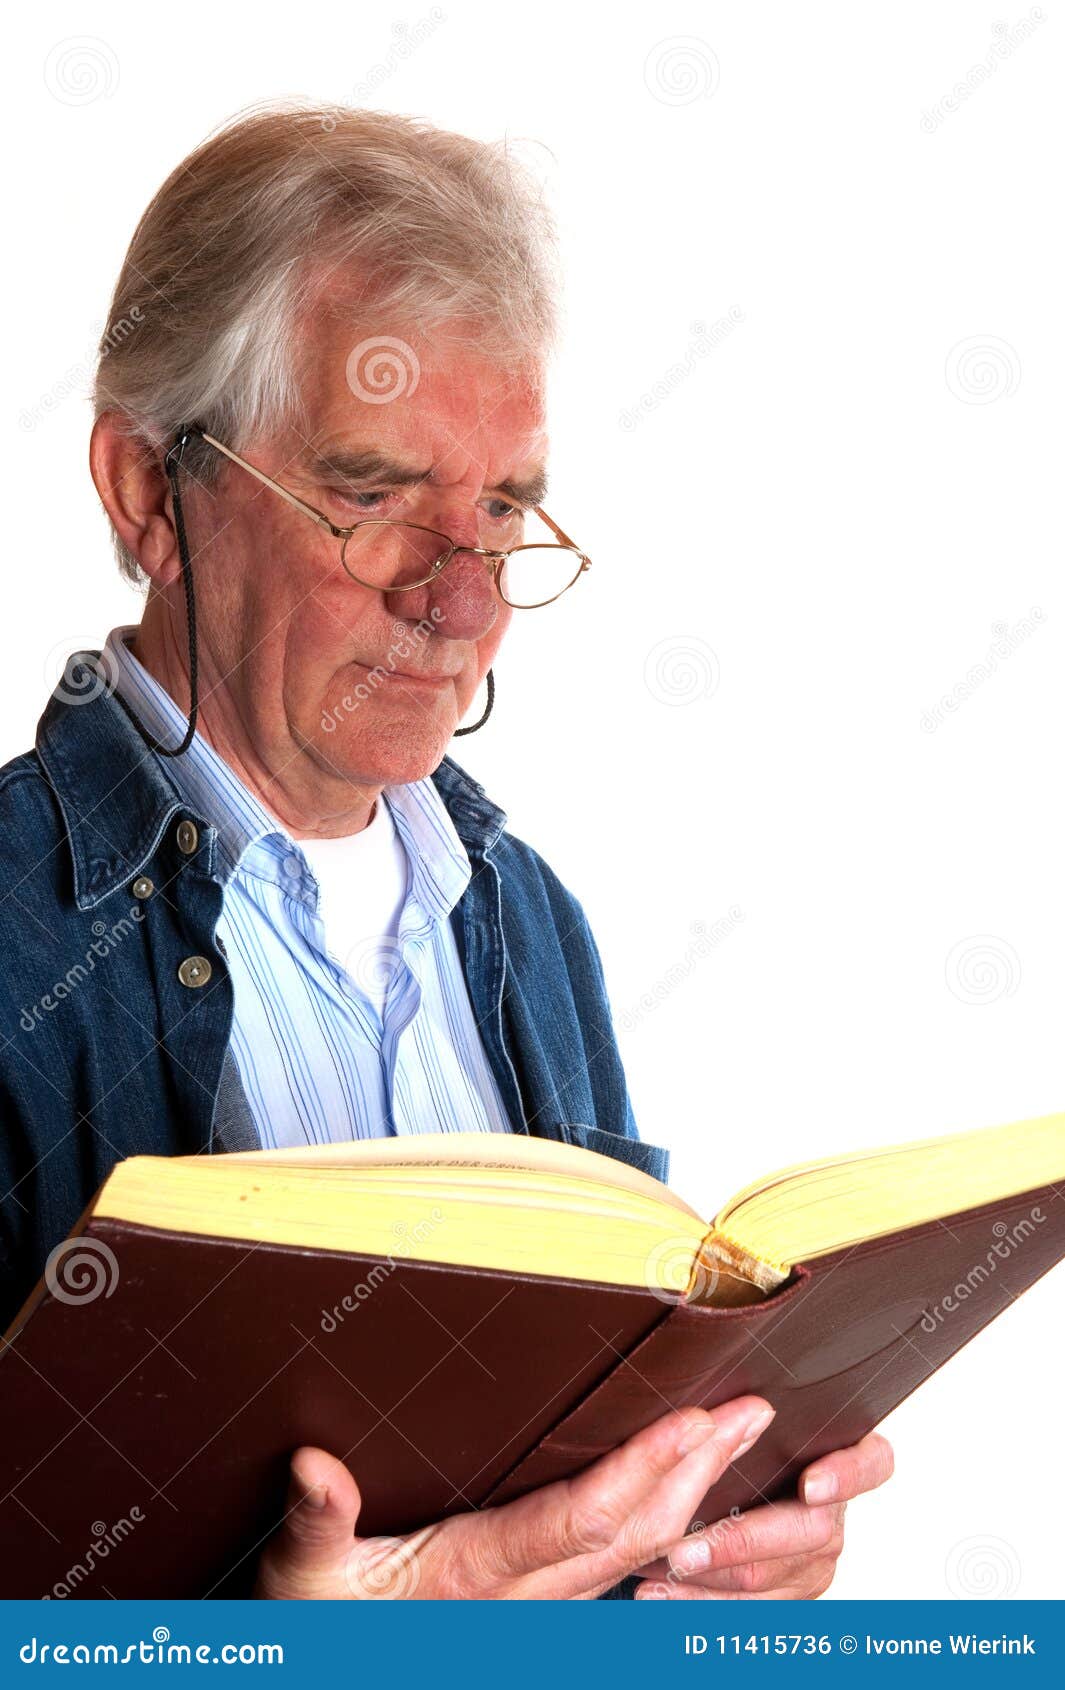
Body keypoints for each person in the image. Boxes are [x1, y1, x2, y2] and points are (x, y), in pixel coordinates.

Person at [0, 104, 892, 1599]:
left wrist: (694, 1547)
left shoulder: (523, 916)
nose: (465, 603)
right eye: (370, 494)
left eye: (502, 511)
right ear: (151, 492)